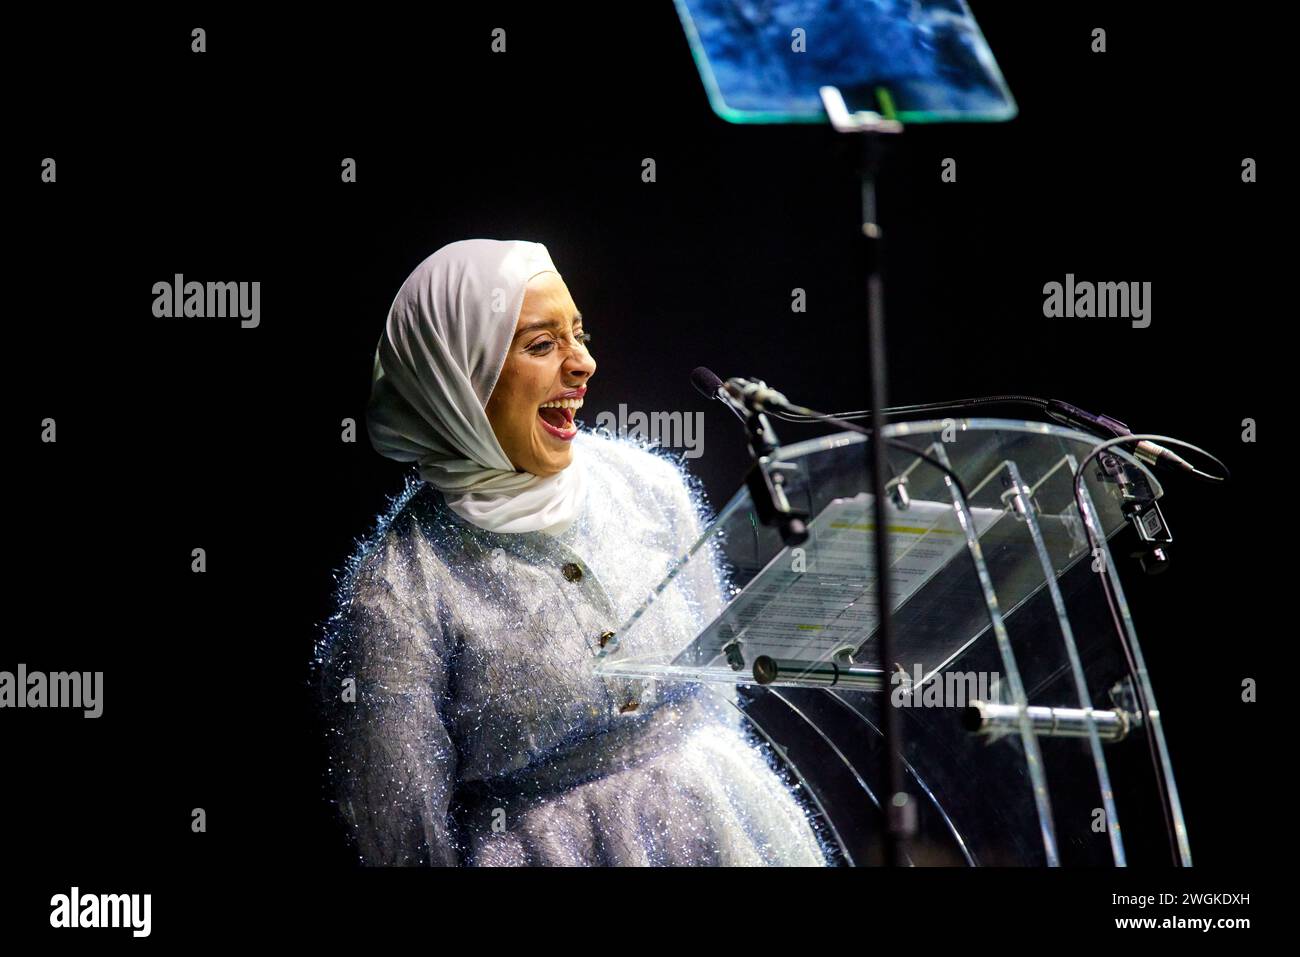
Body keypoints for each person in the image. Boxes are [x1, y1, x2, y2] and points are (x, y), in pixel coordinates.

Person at [313, 239, 833, 866]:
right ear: (456, 376)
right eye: (542, 344)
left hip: (727, 830)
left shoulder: (650, 486)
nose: (582, 363)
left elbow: (715, 692)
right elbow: (401, 838)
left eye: (579, 335)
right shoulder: (400, 591)